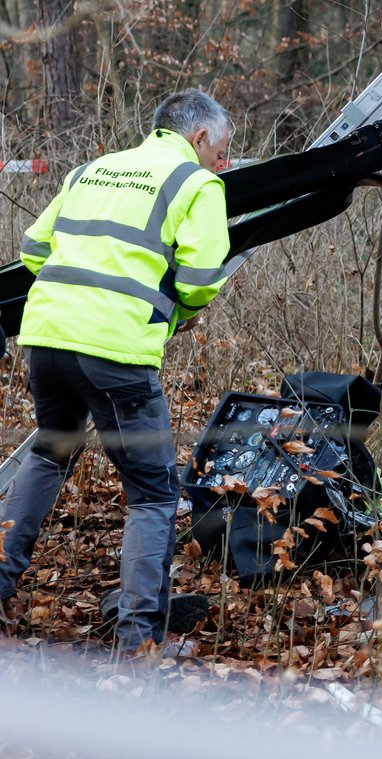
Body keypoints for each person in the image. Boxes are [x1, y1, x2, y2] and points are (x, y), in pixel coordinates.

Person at [0, 89, 233, 654]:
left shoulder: (92, 170)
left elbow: (33, 249)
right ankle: (138, 642)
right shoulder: (197, 184)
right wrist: (174, 309)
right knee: (153, 494)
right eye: (221, 150)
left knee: (49, 453)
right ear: (198, 138)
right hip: (116, 354)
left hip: (46, 341)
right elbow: (201, 278)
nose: (223, 163)